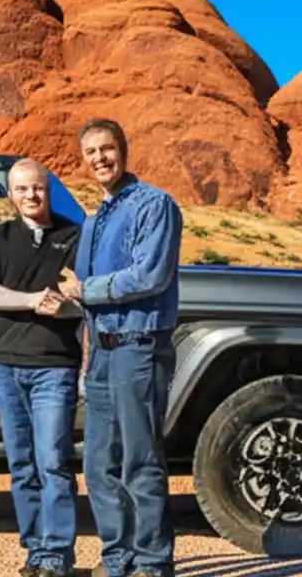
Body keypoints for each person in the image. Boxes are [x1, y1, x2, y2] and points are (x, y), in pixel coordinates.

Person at [57, 118, 182, 577]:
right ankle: (117, 556)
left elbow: (151, 276)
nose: (99, 159)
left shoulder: (155, 205)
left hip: (139, 349)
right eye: (90, 153)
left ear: (123, 151)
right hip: (104, 355)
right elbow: (79, 294)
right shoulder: (94, 221)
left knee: (140, 460)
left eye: (106, 149)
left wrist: (86, 289)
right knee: (99, 464)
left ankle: (152, 561)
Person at [0, 157, 85, 577]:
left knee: (53, 459)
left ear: (48, 190)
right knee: (22, 463)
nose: (31, 196)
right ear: (10, 194)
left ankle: (57, 553)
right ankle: (35, 551)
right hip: (6, 363)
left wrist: (67, 306)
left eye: (37, 188)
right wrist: (33, 299)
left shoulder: (74, 237)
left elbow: (84, 297)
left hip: (54, 365)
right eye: (22, 189)